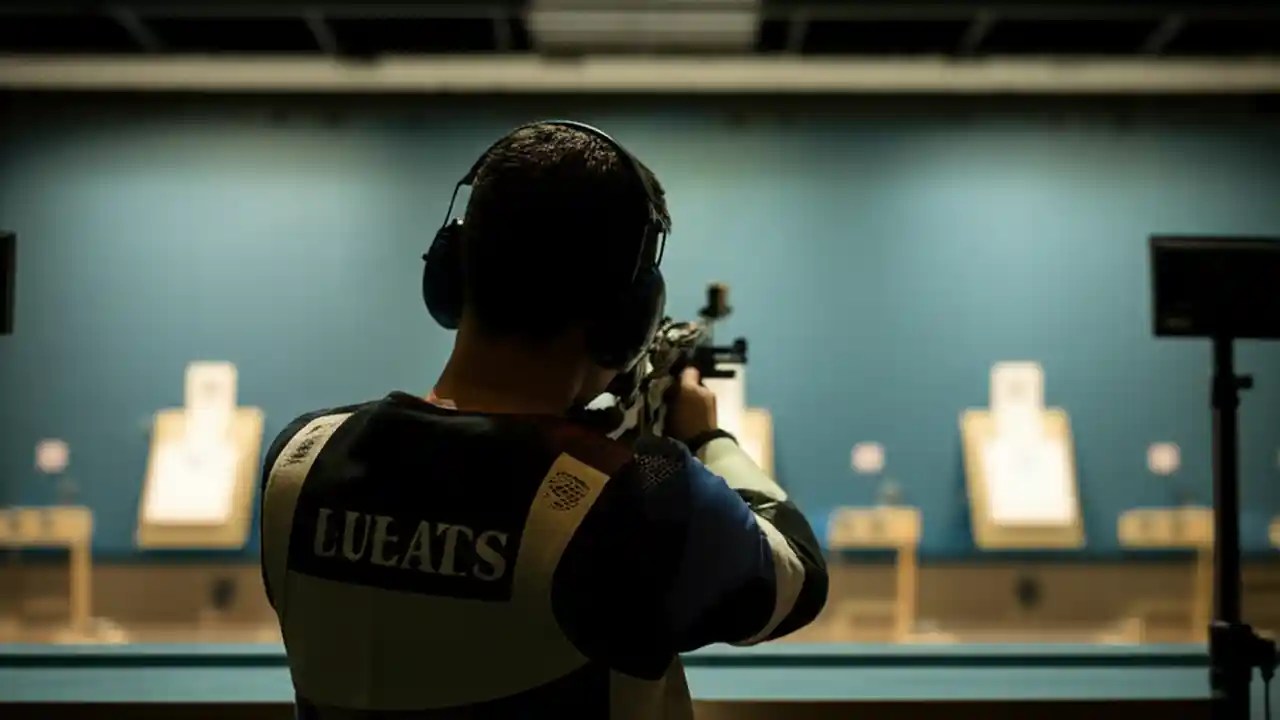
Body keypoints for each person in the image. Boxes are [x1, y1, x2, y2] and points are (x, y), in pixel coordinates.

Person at [258, 121, 828, 719]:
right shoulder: (642, 497)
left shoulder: (298, 461)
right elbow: (797, 579)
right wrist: (709, 438)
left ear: (452, 273)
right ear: (629, 318)